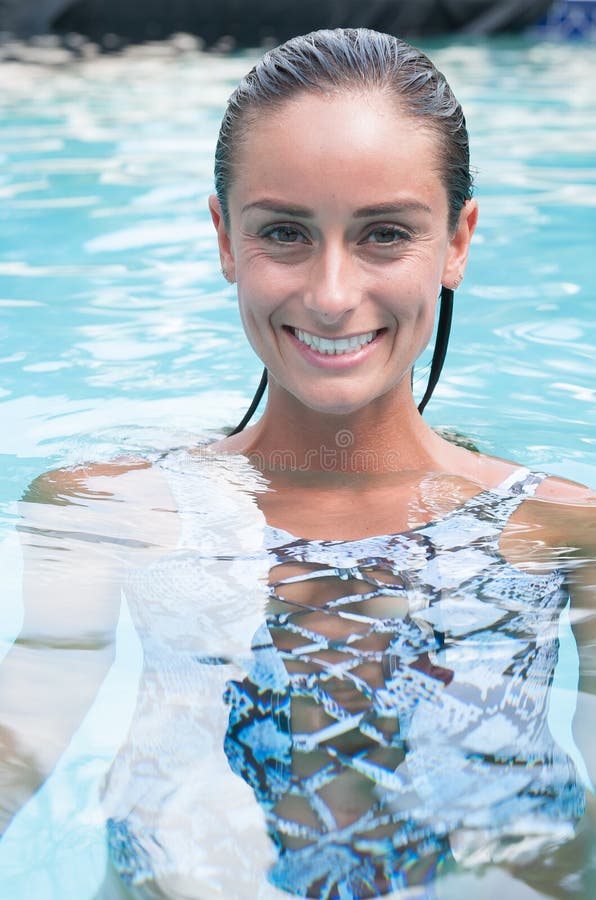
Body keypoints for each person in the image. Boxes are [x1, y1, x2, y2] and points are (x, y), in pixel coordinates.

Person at [2, 27, 595, 900]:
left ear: (459, 242)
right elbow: (21, 739)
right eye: (284, 232)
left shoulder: (563, 534)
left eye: (385, 235)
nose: (330, 294)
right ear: (224, 237)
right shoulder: (111, 512)